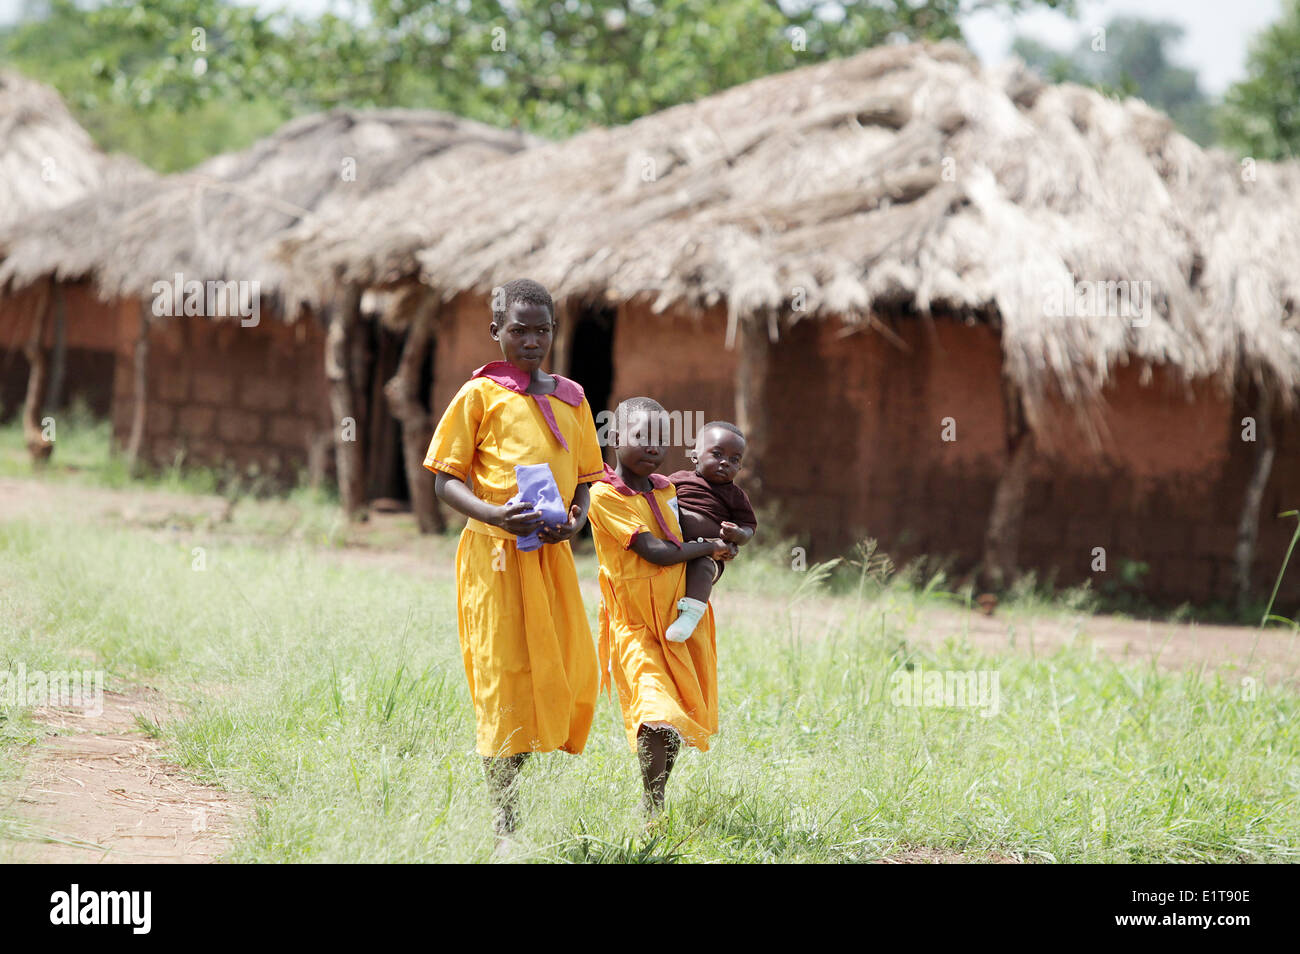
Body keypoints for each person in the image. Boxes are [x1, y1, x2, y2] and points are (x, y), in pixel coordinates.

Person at [424, 278, 604, 839]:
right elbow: (445, 481)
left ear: (555, 331)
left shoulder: (572, 398)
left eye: (542, 330)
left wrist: (576, 519)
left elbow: (590, 480)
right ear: (495, 331)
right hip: (494, 557)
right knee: (503, 676)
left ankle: (527, 777)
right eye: (519, 329)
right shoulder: (478, 395)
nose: (531, 340)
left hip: (550, 561)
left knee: (564, 668)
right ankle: (505, 821)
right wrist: (496, 514)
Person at [587, 397, 735, 816]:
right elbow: (653, 551)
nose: (653, 446)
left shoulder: (669, 488)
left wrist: (720, 551)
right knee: (655, 710)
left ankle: (655, 804)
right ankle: (652, 807)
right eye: (642, 436)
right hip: (634, 623)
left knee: (677, 713)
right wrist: (708, 547)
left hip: (678, 617)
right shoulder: (604, 495)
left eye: (661, 439)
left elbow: (690, 539)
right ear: (615, 438)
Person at [664, 421, 757, 642]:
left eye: (734, 460)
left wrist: (737, 535)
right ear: (695, 456)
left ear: (740, 467)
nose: (725, 462)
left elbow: (749, 528)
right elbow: (658, 498)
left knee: (703, 568)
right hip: (674, 547)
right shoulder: (678, 480)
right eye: (717, 454)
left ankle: (691, 615)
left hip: (706, 551)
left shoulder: (735, 495)